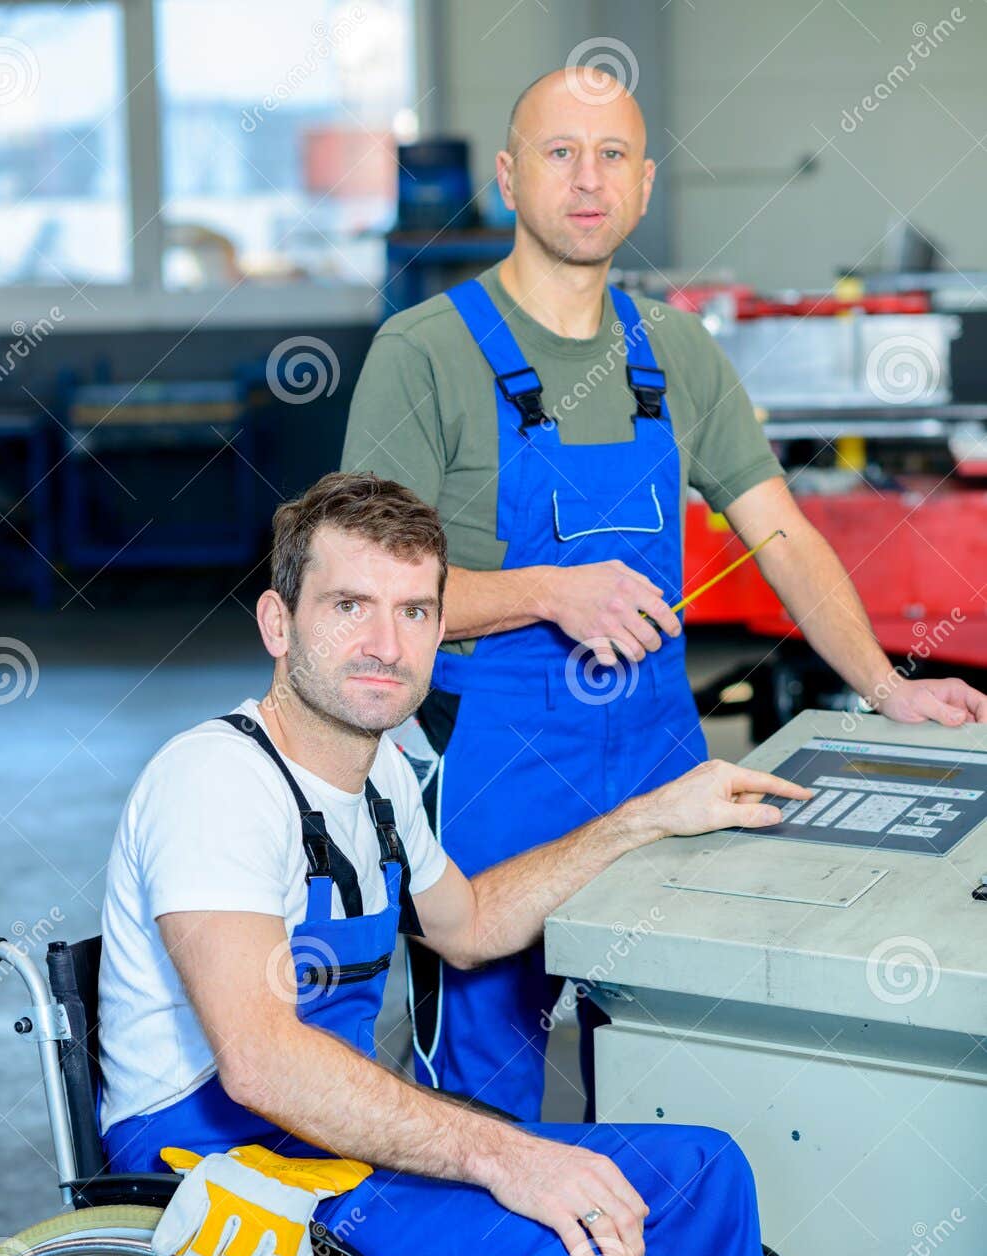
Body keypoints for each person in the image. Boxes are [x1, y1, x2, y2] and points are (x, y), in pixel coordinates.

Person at [98, 471, 831, 1256]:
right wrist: (509, 1152)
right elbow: (261, 1057)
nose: (386, 644)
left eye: (415, 611)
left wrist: (649, 813)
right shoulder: (215, 785)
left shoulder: (381, 769)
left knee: (699, 1175)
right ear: (278, 622)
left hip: (330, 1144)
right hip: (224, 1172)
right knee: (572, 1244)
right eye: (351, 607)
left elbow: (474, 925)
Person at [340, 65, 987, 1124]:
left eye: (611, 157)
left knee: (679, 1052)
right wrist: (549, 591)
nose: (586, 180)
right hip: (493, 768)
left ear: (643, 186)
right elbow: (366, 597)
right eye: (559, 153)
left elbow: (780, 527)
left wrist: (888, 685)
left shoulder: (675, 349)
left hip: (658, 751)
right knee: (488, 1093)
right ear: (509, 177)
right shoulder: (424, 353)